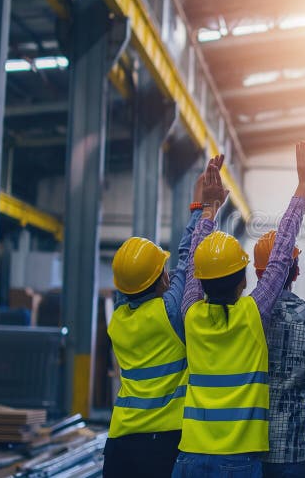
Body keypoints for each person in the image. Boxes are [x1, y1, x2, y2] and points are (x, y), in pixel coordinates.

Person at [172, 143, 305, 478]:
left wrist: (209, 208)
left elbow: (193, 261)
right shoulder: (252, 314)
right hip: (238, 460)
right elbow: (280, 258)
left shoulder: (191, 315)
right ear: (243, 281)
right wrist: (304, 185)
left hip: (189, 457)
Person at [104, 157, 221, 478]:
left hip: (120, 441)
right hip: (164, 440)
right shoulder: (169, 312)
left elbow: (177, 264)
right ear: (161, 279)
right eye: (163, 272)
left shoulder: (117, 320)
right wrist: (203, 206)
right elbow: (189, 259)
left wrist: (201, 204)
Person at [254, 231, 305, 478]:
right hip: (297, 451)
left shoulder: (246, 319)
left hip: (251, 449)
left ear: (260, 274)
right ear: (297, 272)